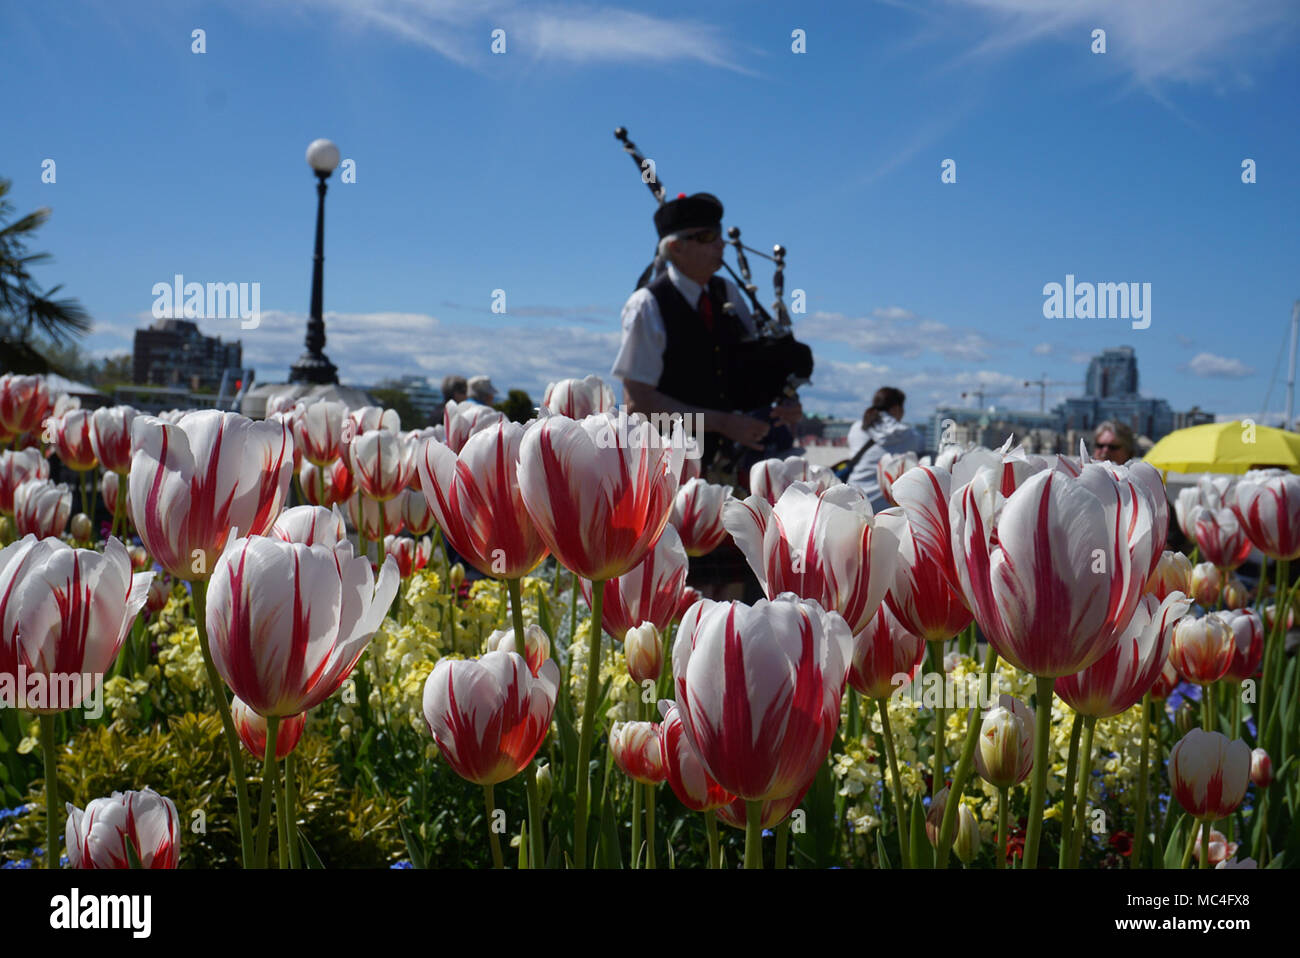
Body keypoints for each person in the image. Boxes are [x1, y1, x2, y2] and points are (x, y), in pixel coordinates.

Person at [611, 191, 801, 482]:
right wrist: (721, 423)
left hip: (734, 471)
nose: (720, 244)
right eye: (707, 237)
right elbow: (640, 407)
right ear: (675, 248)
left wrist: (785, 400)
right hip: (668, 475)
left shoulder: (727, 293)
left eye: (719, 235)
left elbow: (751, 369)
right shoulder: (647, 306)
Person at [846, 387, 924, 513]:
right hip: (884, 506)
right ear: (896, 408)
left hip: (853, 498)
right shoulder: (909, 435)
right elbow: (921, 449)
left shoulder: (857, 428)